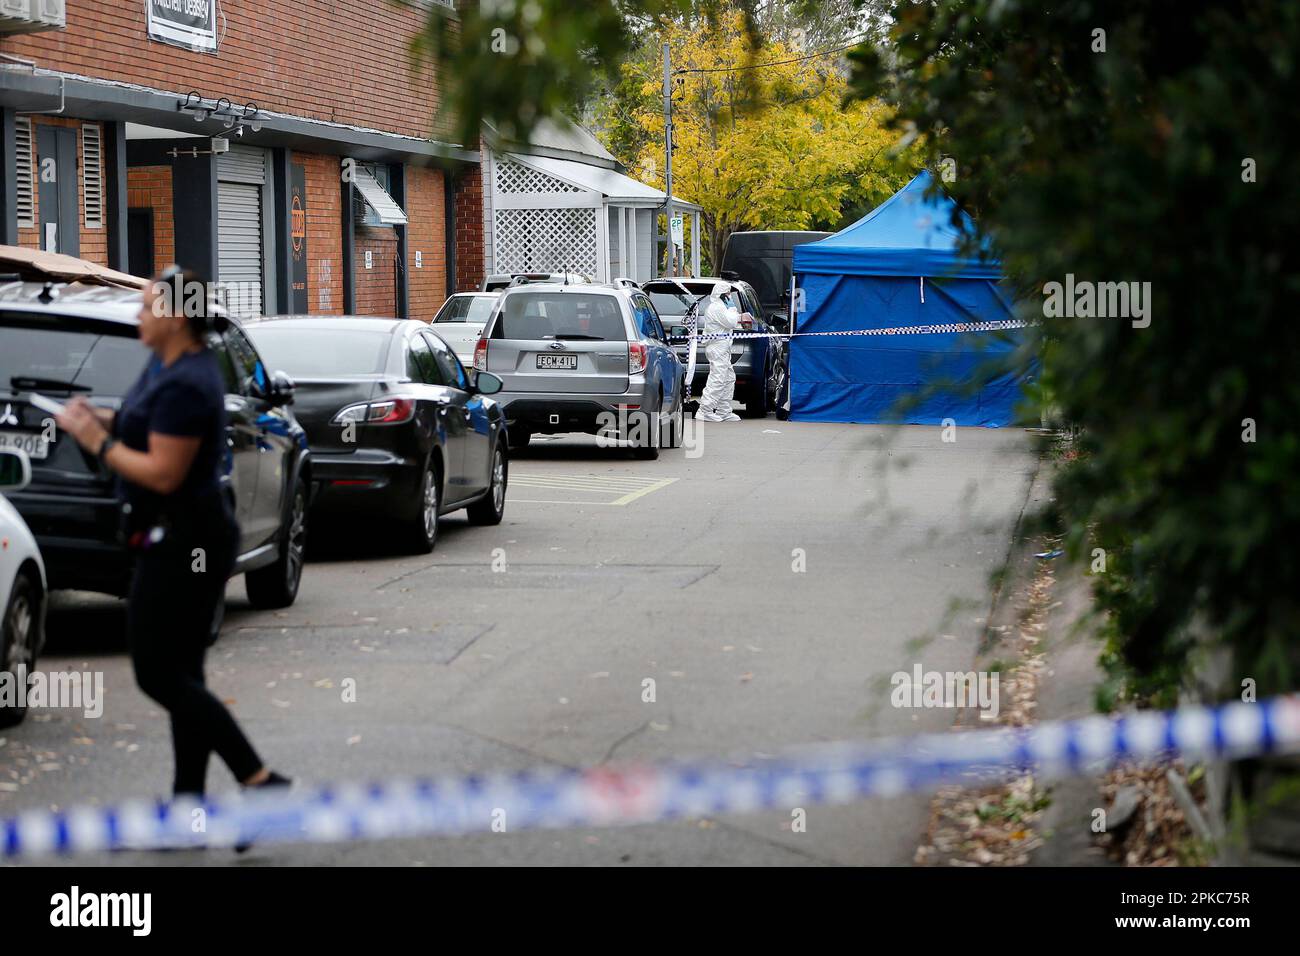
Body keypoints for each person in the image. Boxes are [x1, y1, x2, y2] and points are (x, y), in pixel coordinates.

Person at [57, 266, 289, 811]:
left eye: (146, 305)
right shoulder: (167, 365)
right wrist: (102, 418)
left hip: (190, 543)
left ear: (175, 315)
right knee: (184, 674)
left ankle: (257, 779)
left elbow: (163, 472)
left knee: (156, 672)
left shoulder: (190, 380)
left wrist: (97, 442)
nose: (139, 313)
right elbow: (144, 422)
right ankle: (189, 806)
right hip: (173, 534)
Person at [695, 287, 752, 422]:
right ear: (722, 295)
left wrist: (740, 317)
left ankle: (723, 410)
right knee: (718, 378)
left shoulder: (720, 307)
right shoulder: (717, 307)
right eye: (727, 294)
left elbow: (729, 321)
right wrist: (734, 310)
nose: (729, 297)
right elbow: (730, 321)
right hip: (717, 347)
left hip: (723, 347)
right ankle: (705, 410)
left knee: (728, 378)